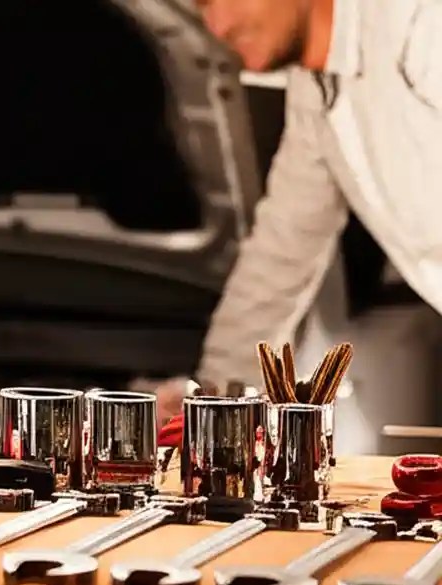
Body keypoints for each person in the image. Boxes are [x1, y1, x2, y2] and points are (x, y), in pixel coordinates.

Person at [150, 0, 442, 437]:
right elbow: (280, 254)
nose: (215, 26)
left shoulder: (417, 20)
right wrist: (212, 401)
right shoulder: (315, 92)